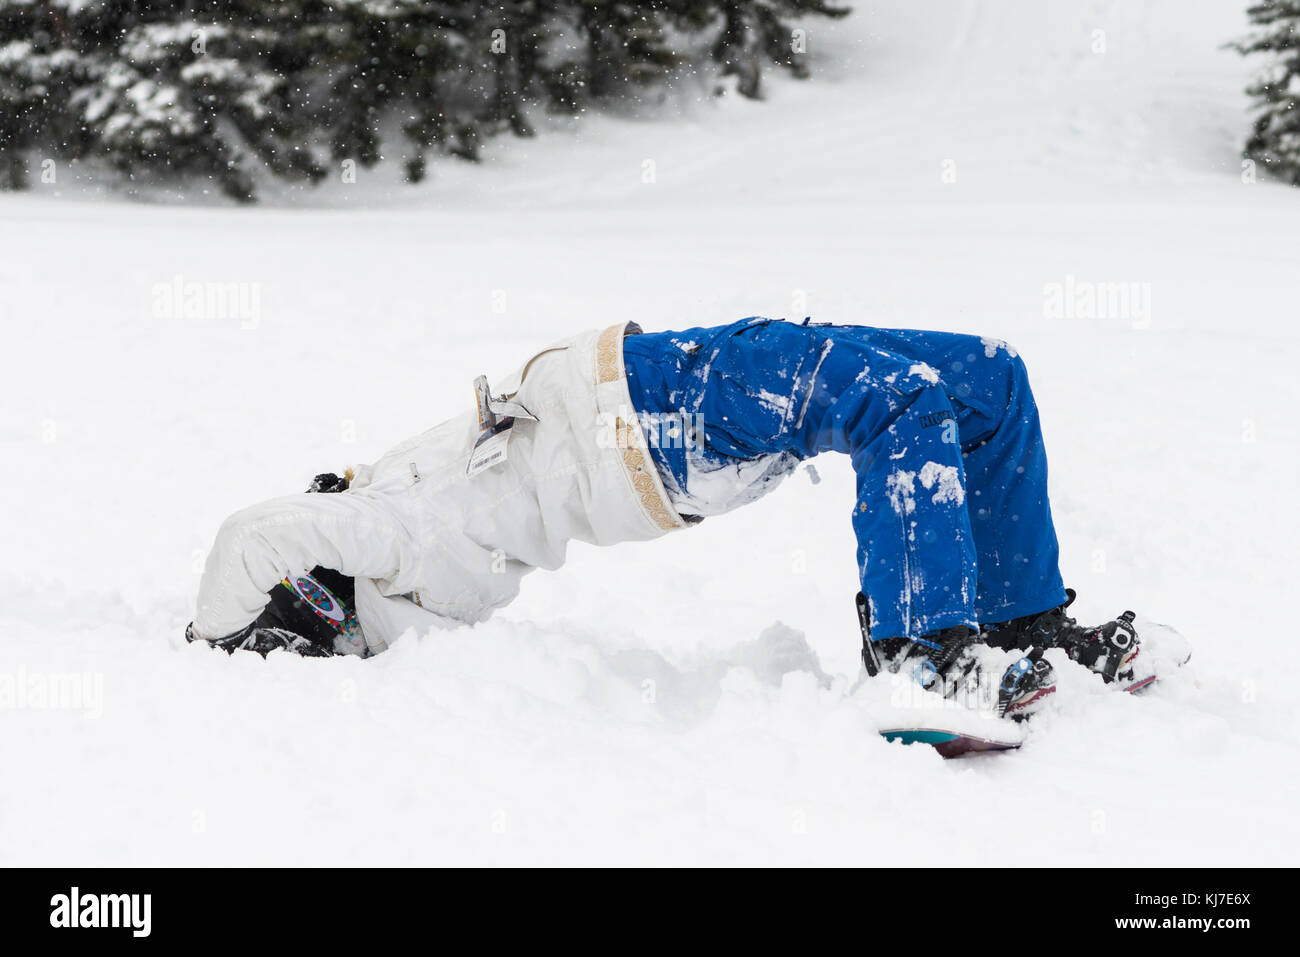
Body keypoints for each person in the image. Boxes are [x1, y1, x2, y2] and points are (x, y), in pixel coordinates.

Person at [187, 317, 1144, 720]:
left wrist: (256, 627)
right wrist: (259, 639)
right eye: (310, 605)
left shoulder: (394, 554)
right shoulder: (394, 579)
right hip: (642, 423)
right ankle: (921, 655)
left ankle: (1019, 616)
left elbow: (267, 544)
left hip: (633, 416)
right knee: (894, 398)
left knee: (986, 376)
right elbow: (265, 552)